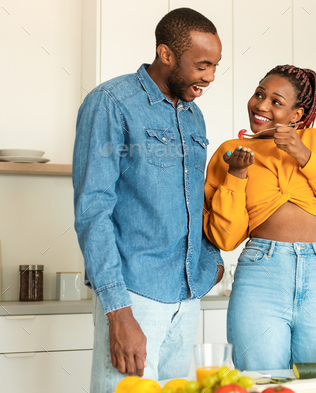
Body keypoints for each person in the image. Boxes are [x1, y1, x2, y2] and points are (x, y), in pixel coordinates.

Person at [73, 8, 224, 391]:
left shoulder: (194, 115)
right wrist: (118, 312)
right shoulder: (110, 101)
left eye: (215, 66)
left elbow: (196, 199)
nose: (209, 77)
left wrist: (212, 261)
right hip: (136, 296)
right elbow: (93, 210)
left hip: (187, 296)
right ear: (166, 54)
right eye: (202, 65)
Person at [203, 65, 316, 370]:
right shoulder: (232, 152)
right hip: (261, 275)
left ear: (296, 114)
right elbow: (225, 237)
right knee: (261, 378)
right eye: (259, 94)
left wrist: (302, 153)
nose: (261, 105)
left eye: (276, 101)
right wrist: (236, 175)